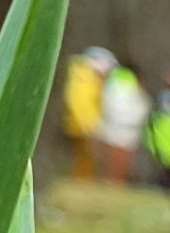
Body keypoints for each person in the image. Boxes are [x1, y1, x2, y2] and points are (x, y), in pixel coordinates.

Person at [95, 56, 150, 183]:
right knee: (122, 155)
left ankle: (110, 180)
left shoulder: (112, 80)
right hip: (128, 125)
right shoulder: (132, 84)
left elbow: (105, 101)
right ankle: (117, 181)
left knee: (112, 153)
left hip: (113, 122)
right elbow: (142, 103)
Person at [62, 46, 112, 181]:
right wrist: (87, 124)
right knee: (84, 156)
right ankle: (78, 182)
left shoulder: (91, 78)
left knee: (87, 158)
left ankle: (82, 181)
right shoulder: (83, 76)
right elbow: (78, 101)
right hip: (81, 125)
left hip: (87, 124)